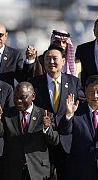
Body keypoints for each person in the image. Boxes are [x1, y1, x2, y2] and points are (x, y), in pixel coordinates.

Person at [29, 44, 85, 180]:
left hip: (67, 141)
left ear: (64, 61)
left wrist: (71, 114)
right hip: (42, 142)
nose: (51, 62)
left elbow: (82, 105)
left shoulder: (74, 82)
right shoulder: (34, 83)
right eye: (48, 59)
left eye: (55, 58)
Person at [0, 82, 59, 180]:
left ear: (33, 96)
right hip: (13, 170)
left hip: (38, 170)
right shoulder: (7, 114)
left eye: (22, 97)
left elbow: (54, 141)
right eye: (15, 97)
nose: (18, 101)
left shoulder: (45, 115)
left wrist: (47, 128)